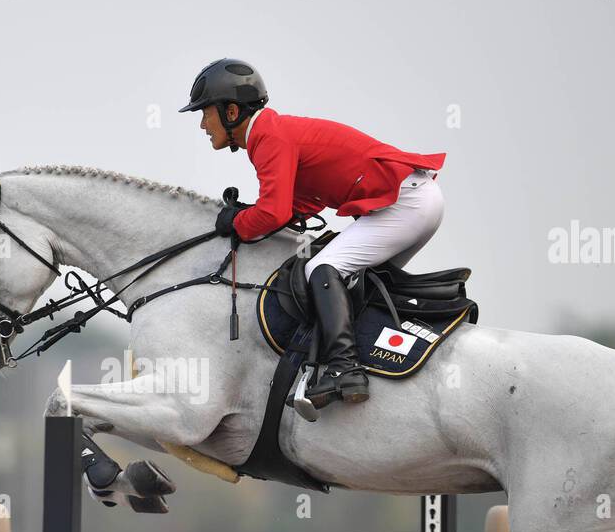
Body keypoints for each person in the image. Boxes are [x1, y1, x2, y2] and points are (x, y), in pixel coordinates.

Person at [180, 58, 446, 409]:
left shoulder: (267, 137)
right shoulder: (273, 133)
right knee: (354, 285)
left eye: (205, 112)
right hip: (415, 200)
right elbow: (298, 205)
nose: (202, 124)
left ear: (231, 112)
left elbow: (274, 212)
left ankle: (345, 370)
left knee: (320, 270)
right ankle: (367, 363)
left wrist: (238, 223)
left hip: (404, 204)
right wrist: (247, 215)